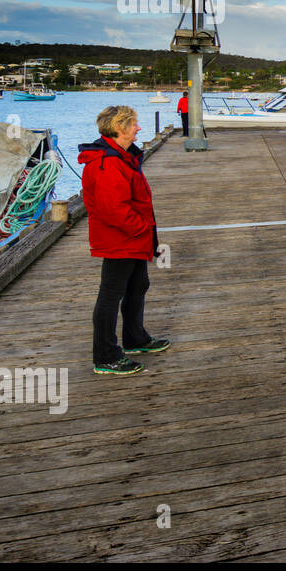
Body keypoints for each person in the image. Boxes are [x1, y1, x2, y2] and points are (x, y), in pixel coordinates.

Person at [78, 106, 170, 376]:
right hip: (121, 239)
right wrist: (142, 228)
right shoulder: (107, 163)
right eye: (133, 125)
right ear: (120, 128)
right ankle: (105, 356)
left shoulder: (122, 157)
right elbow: (113, 209)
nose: (138, 128)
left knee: (138, 285)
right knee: (110, 295)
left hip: (135, 238)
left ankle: (135, 338)